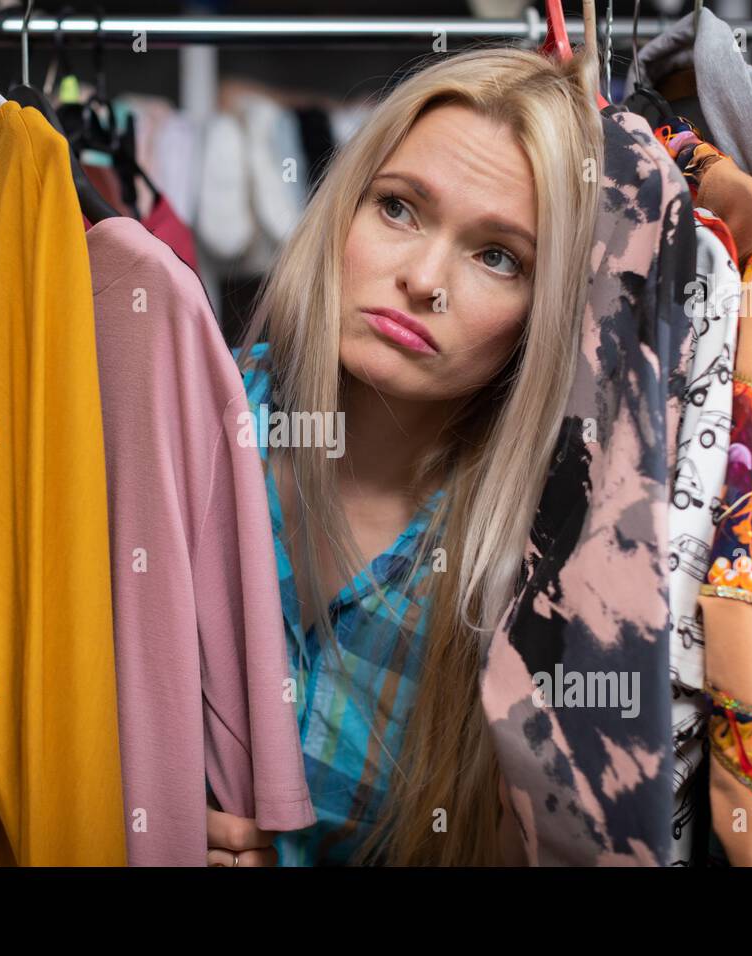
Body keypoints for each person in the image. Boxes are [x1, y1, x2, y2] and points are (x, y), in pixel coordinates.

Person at [209, 44, 603, 866]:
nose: (424, 278)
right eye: (399, 208)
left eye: (498, 256)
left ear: (546, 310)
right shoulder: (190, 442)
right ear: (344, 207)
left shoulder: (534, 578)